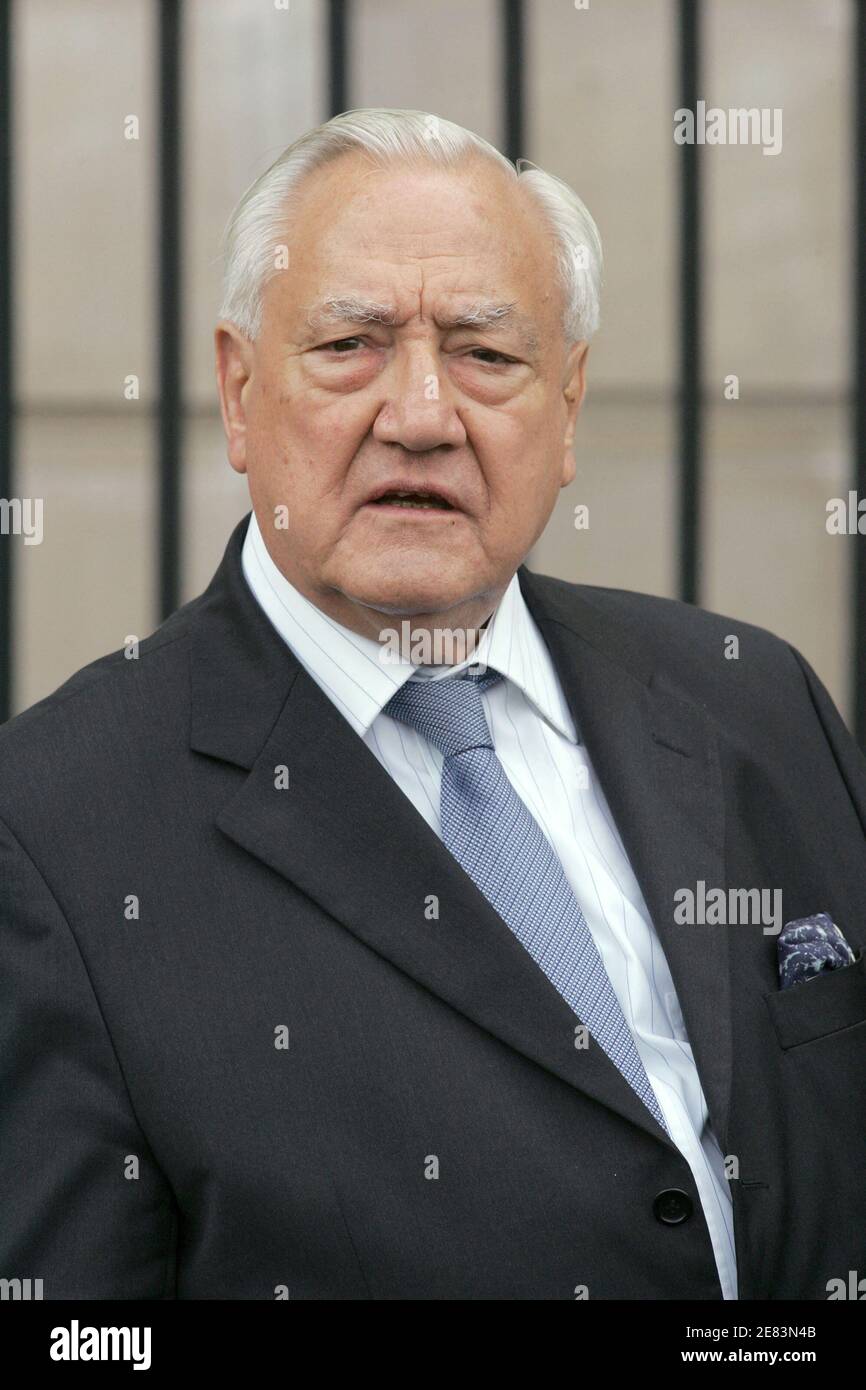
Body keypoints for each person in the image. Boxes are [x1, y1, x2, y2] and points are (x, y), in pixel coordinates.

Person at [2, 109, 865, 1300]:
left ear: (566, 406)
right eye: (351, 345)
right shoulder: (50, 827)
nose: (419, 414)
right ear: (238, 392)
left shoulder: (752, 702)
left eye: (484, 355)